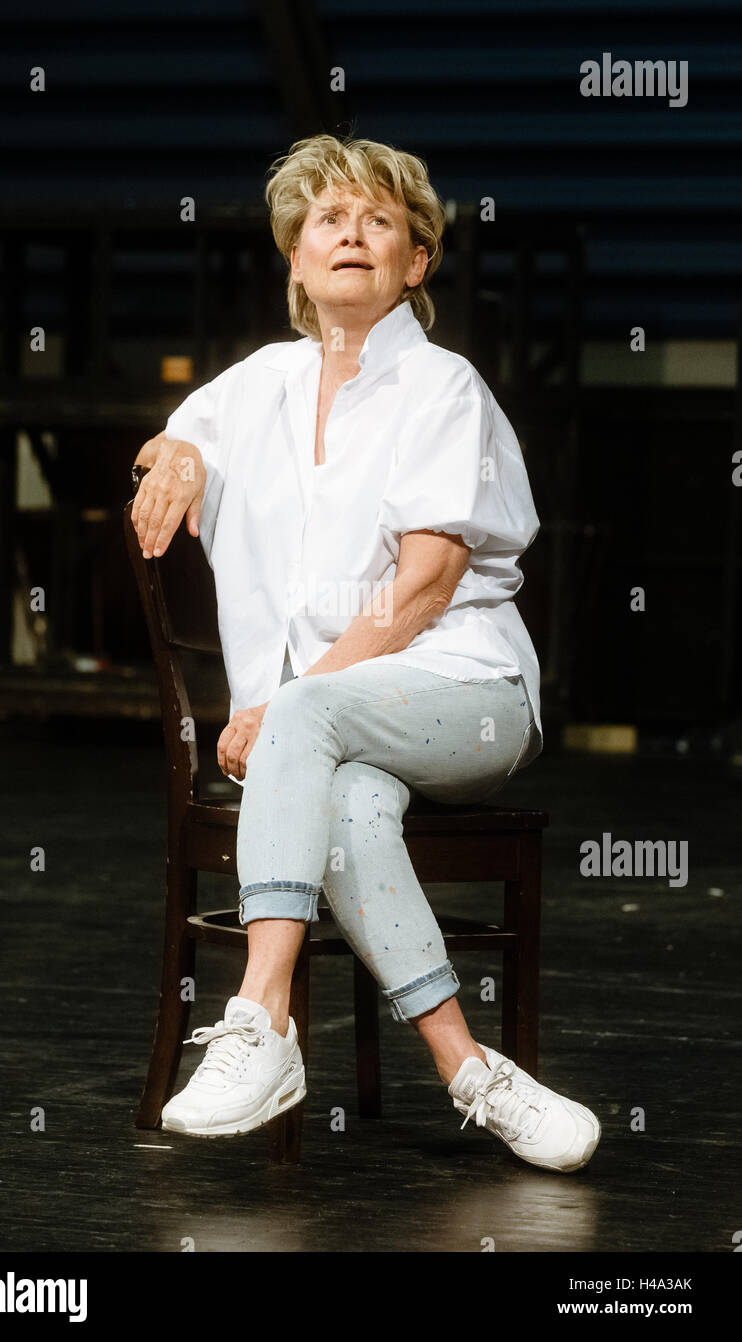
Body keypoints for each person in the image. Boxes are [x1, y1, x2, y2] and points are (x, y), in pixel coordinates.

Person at [131, 134, 600, 1173]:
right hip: (342, 725)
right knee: (344, 806)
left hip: (464, 695)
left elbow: (421, 587)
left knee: (302, 714)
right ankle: (471, 1073)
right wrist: (171, 454)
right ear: (295, 260)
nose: (349, 233)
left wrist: (291, 700)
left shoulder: (444, 388)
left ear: (414, 262)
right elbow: (180, 437)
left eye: (377, 220)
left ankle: (258, 1020)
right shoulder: (260, 384)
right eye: (326, 221)